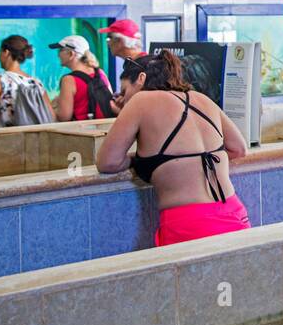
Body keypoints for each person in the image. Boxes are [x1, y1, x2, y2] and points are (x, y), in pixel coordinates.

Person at [96, 50, 250, 247]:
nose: (124, 99)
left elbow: (108, 161)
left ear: (141, 78)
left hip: (189, 223)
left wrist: (141, 161)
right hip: (233, 213)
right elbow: (239, 149)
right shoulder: (201, 98)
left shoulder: (141, 101)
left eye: (125, 91)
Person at [0, 35, 55, 128]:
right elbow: (52, 116)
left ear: (6, 52)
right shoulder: (36, 82)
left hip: (8, 139)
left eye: (0, 52)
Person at [50, 35, 114, 121]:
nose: (58, 55)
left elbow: (64, 117)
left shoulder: (69, 80)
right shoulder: (100, 72)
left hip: (81, 131)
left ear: (71, 54)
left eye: (60, 50)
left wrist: (51, 106)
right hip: (103, 128)